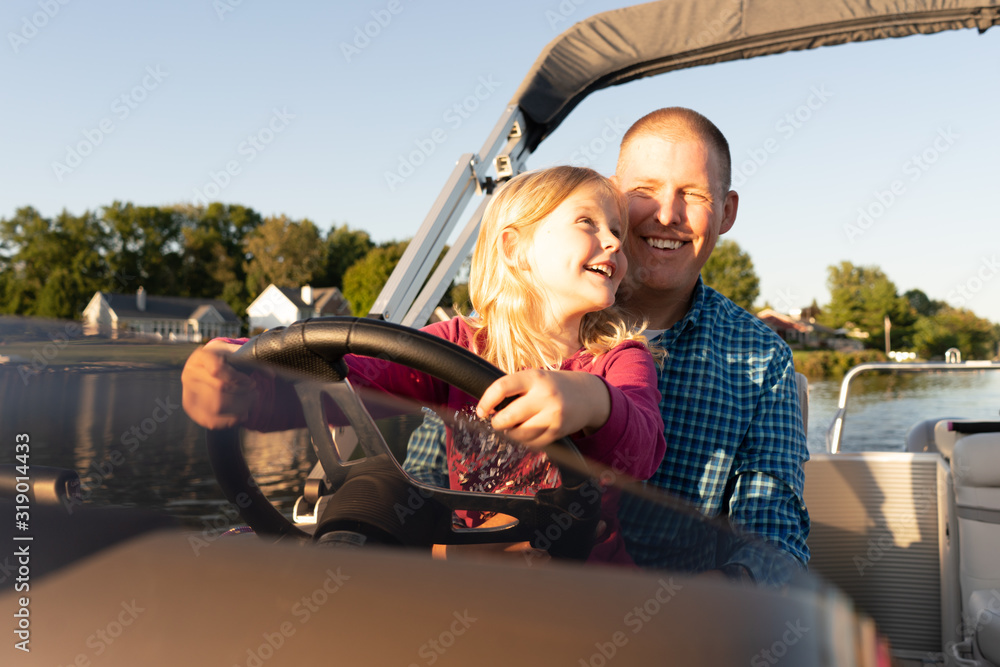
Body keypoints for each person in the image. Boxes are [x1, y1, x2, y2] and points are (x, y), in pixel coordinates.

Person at [181, 166, 667, 564]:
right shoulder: (460, 344)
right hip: (471, 572)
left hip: (588, 587)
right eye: (589, 223)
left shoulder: (619, 357)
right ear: (515, 249)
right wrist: (242, 376)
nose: (614, 243)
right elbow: (350, 376)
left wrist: (592, 400)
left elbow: (644, 447)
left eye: (618, 232)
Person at [612, 107, 810, 582]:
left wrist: (717, 596)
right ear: (610, 198)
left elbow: (773, 537)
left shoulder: (764, 360)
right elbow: (423, 497)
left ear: (726, 213)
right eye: (644, 191)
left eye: (693, 195)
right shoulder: (523, 325)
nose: (666, 214)